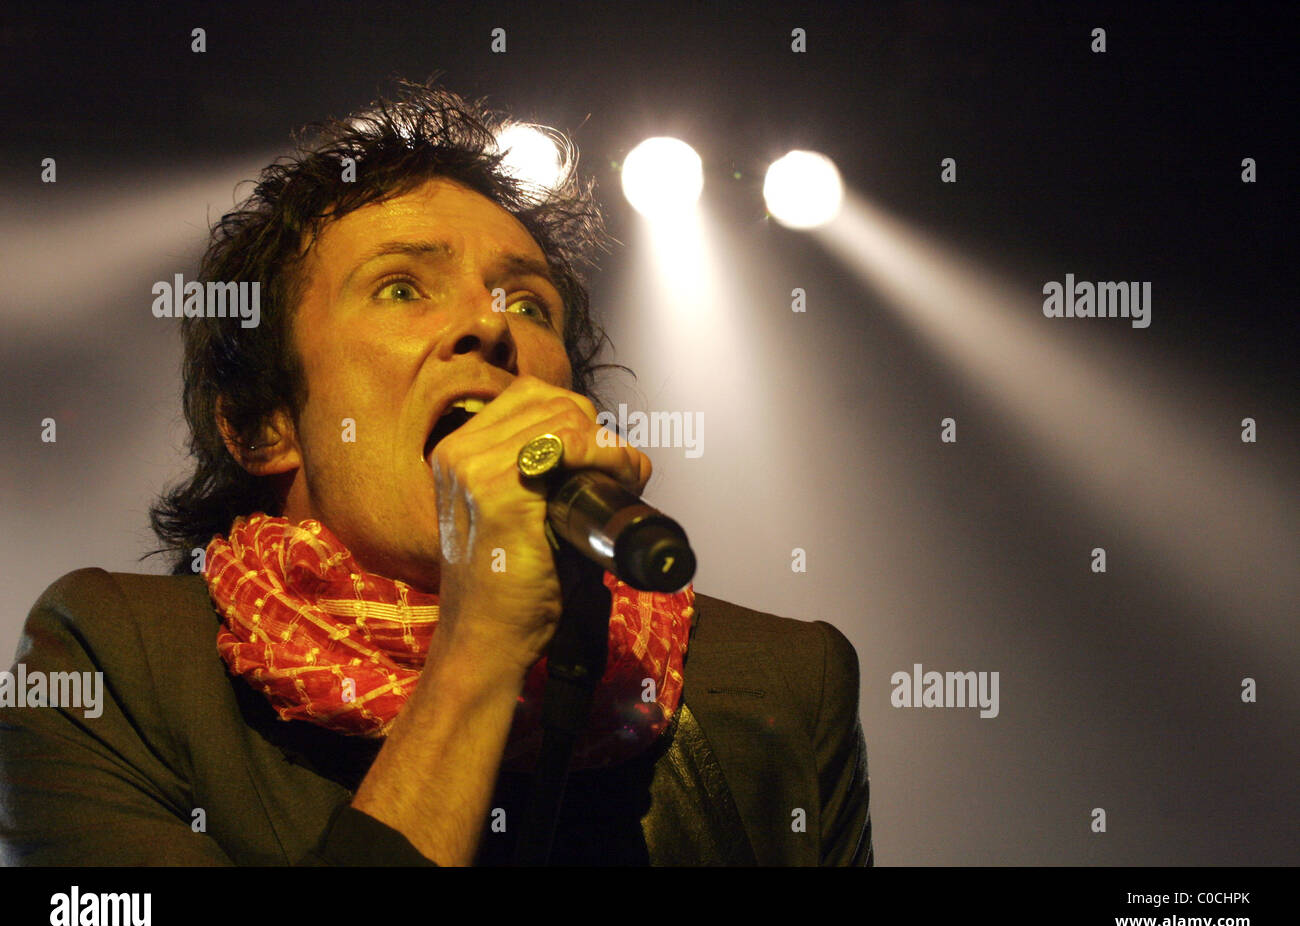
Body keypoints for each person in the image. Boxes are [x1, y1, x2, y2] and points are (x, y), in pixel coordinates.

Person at [0, 81, 872, 866]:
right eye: (402, 288)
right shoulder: (116, 666)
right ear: (266, 426)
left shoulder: (784, 685)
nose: (487, 328)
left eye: (528, 303)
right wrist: (481, 643)